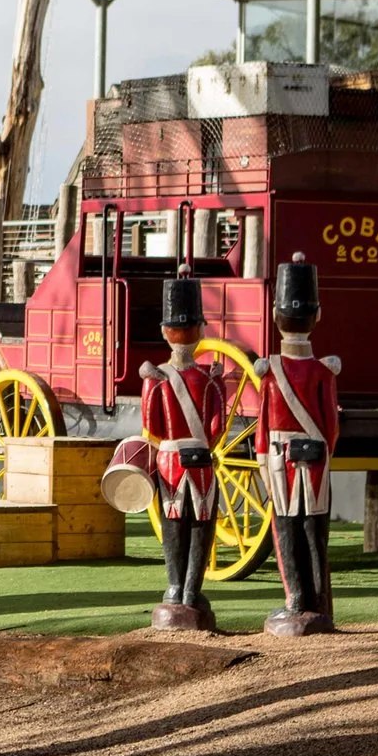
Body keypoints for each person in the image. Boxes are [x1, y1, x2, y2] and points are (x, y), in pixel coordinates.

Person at [137, 265, 229, 632]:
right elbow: (217, 428)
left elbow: (151, 426)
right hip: (201, 462)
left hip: (170, 462)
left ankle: (174, 588)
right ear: (201, 331)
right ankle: (192, 590)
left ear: (164, 331)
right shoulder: (208, 381)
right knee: (201, 527)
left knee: (173, 526)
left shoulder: (156, 379)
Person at [257, 254, 342, 636]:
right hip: (317, 461)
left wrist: (262, 462)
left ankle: (295, 600)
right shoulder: (324, 370)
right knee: (314, 530)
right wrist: (325, 461)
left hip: (280, 462)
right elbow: (332, 427)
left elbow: (262, 426)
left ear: (276, 319)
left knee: (285, 529)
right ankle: (319, 600)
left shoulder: (271, 370)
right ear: (319, 316)